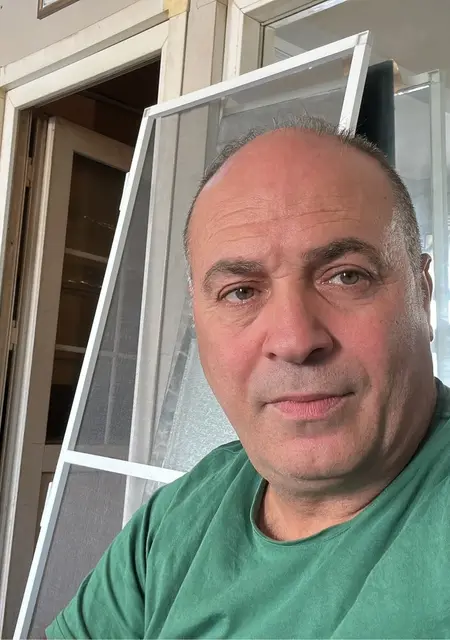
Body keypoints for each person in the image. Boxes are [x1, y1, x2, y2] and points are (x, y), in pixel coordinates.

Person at [46, 116, 450, 640]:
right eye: (240, 291)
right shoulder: (181, 515)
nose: (295, 339)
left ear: (423, 292)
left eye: (346, 276)